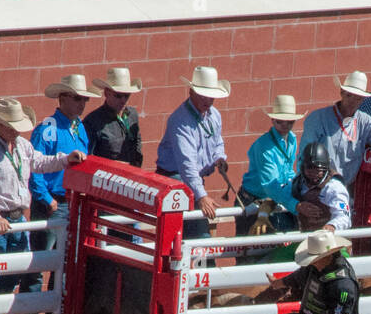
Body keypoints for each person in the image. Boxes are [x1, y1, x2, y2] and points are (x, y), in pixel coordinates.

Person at [0, 97, 85, 295]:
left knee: (14, 273)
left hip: (16, 220)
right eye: (12, 127)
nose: (16, 131)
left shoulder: (22, 145)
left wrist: (65, 159)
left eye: (17, 127)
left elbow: (39, 162)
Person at [156, 66, 231, 240]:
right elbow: (186, 163)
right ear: (191, 92)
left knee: (195, 233)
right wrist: (201, 196)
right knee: (196, 234)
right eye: (203, 95)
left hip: (192, 180)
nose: (208, 100)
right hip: (174, 180)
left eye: (210, 96)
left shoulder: (214, 116)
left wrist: (219, 158)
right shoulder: (180, 121)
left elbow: (217, 141)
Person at [30, 74, 95, 256]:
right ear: (63, 98)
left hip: (72, 202)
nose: (82, 103)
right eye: (77, 98)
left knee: (66, 260)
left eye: (85, 99)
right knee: (40, 258)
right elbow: (33, 166)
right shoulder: (48, 129)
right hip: (52, 202)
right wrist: (46, 199)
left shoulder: (79, 126)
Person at [238, 95, 302, 235]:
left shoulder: (292, 139)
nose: (285, 126)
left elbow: (289, 172)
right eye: (280, 121)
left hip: (274, 198)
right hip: (252, 199)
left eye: (290, 122)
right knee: (248, 248)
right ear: (273, 120)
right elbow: (270, 185)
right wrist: (295, 206)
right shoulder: (263, 146)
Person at [83, 67, 143, 167]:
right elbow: (89, 158)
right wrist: (113, 166)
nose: (123, 100)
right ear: (107, 93)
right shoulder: (92, 121)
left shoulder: (132, 114)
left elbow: (137, 141)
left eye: (127, 96)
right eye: (118, 96)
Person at [291, 141, 351, 232]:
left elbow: (344, 216)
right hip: (305, 237)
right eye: (309, 169)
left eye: (318, 170)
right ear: (303, 168)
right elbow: (281, 195)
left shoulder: (334, 188)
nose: (313, 174)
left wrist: (331, 226)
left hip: (331, 240)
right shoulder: (297, 183)